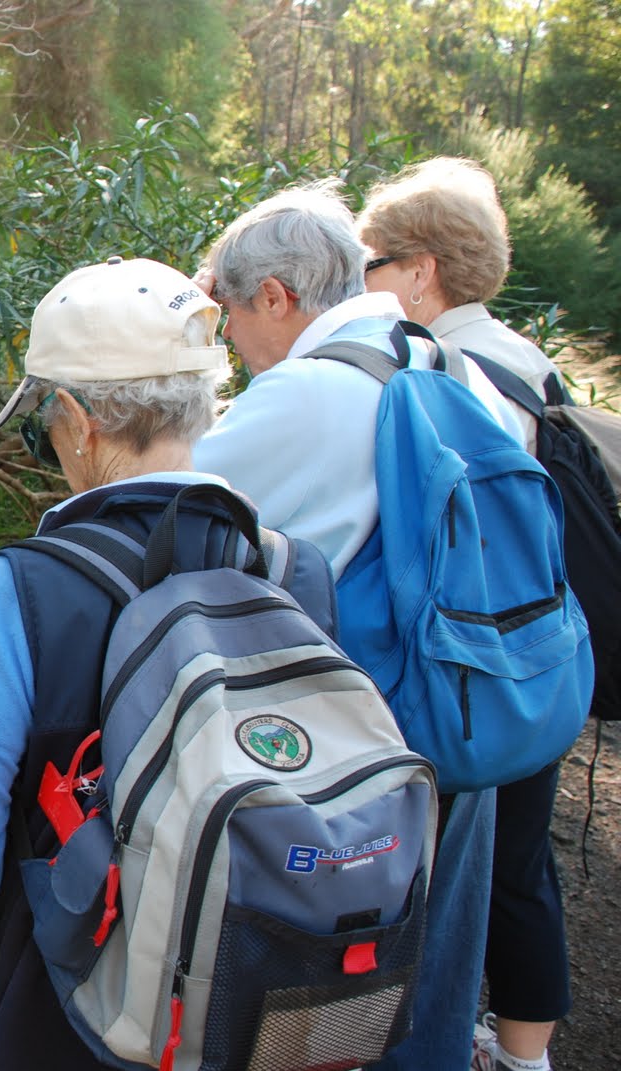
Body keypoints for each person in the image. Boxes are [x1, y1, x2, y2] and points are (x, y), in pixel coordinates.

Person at [0, 256, 339, 1071]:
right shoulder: (294, 571)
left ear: (77, 420)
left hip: (60, 1013)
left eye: (40, 429)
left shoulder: (19, 593)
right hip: (242, 1009)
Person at [189, 179, 528, 1071]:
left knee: (341, 980)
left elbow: (164, 515)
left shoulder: (308, 392)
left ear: (276, 296)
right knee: (437, 982)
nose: (227, 338)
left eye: (228, 309)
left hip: (370, 741)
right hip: (465, 711)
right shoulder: (444, 363)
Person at [357, 156, 571, 1071]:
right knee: (524, 864)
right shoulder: (530, 361)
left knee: (422, 878)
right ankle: (525, 1057)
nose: (364, 282)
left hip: (466, 666)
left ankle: (412, 1044)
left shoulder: (445, 370)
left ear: (420, 271)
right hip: (542, 648)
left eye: (374, 262)